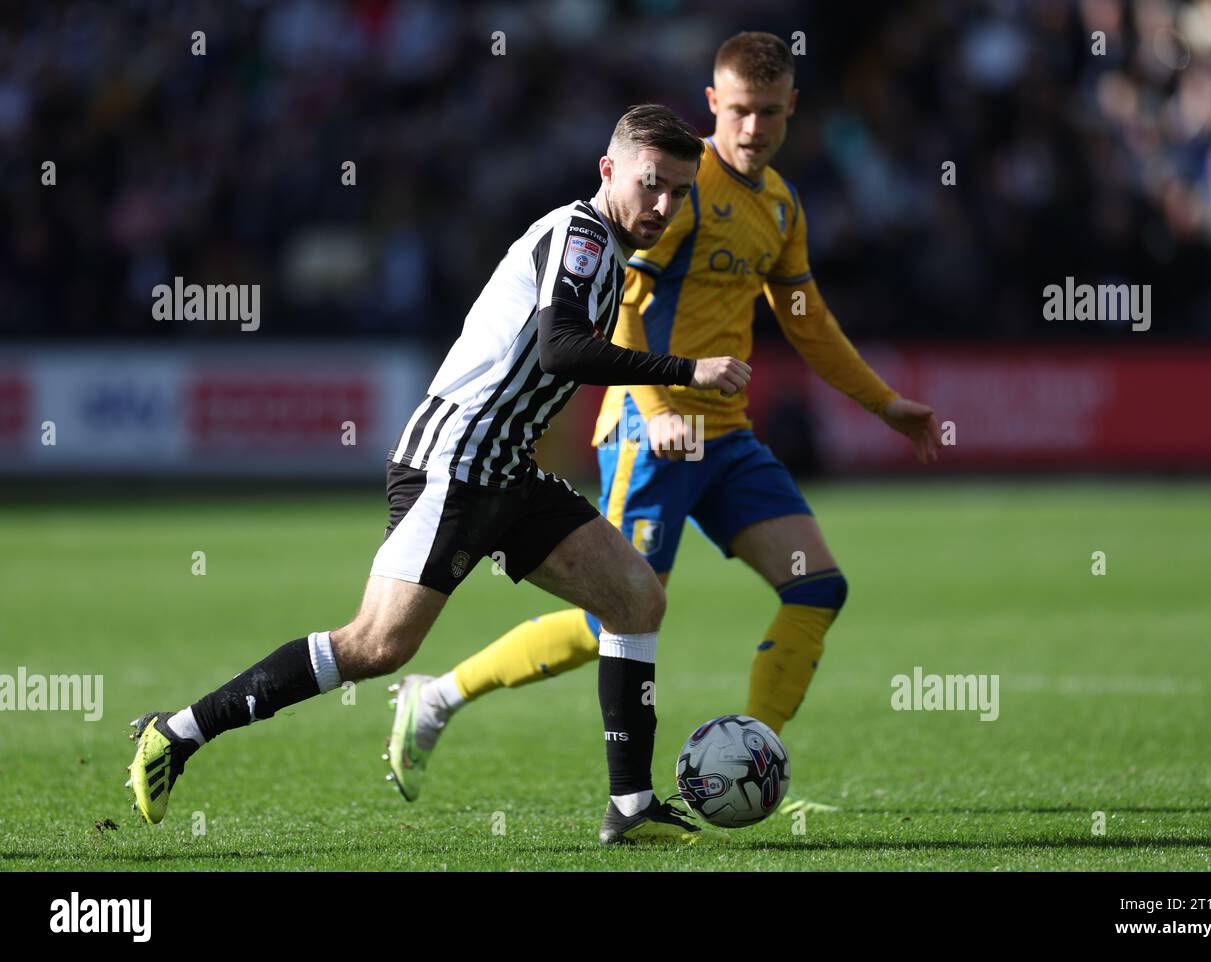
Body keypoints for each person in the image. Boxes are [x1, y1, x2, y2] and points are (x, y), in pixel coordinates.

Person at [126, 104, 751, 845]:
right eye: (653, 184)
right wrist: (687, 372)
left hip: (505, 467)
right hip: (454, 460)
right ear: (608, 169)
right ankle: (177, 733)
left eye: (679, 192)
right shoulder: (581, 235)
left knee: (637, 599)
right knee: (376, 646)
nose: (664, 205)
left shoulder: (612, 251)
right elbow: (561, 351)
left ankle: (632, 806)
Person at [390, 33, 942, 815]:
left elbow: (806, 319)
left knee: (818, 585)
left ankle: (756, 762)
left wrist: (885, 402)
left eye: (770, 113)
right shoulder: (679, 191)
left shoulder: (781, 205)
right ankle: (437, 697)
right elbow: (623, 308)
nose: (753, 129)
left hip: (728, 437)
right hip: (651, 438)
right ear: (714, 104)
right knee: (609, 619)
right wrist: (655, 413)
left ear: (792, 110)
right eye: (740, 111)